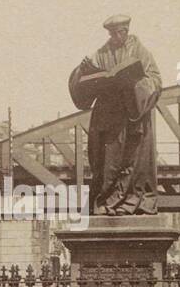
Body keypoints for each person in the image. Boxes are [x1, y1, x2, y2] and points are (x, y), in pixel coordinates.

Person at [66, 14, 162, 215]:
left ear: (126, 31)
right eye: (112, 33)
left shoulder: (141, 52)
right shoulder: (101, 54)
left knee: (132, 160)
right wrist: (81, 71)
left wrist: (135, 86)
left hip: (133, 116)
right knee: (106, 162)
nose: (116, 37)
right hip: (108, 116)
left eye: (120, 32)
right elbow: (83, 88)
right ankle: (106, 202)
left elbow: (155, 81)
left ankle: (129, 203)